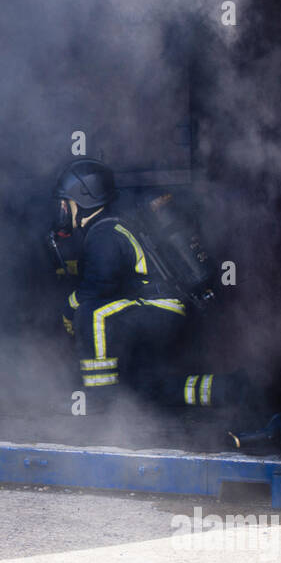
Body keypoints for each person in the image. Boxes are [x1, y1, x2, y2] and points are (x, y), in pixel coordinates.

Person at [51, 160, 236, 410]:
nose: (62, 209)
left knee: (91, 313)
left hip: (159, 308)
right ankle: (231, 390)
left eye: (66, 203)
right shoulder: (112, 225)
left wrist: (68, 308)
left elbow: (99, 287)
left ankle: (100, 401)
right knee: (145, 387)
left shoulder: (104, 233)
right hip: (166, 311)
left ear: (82, 199)